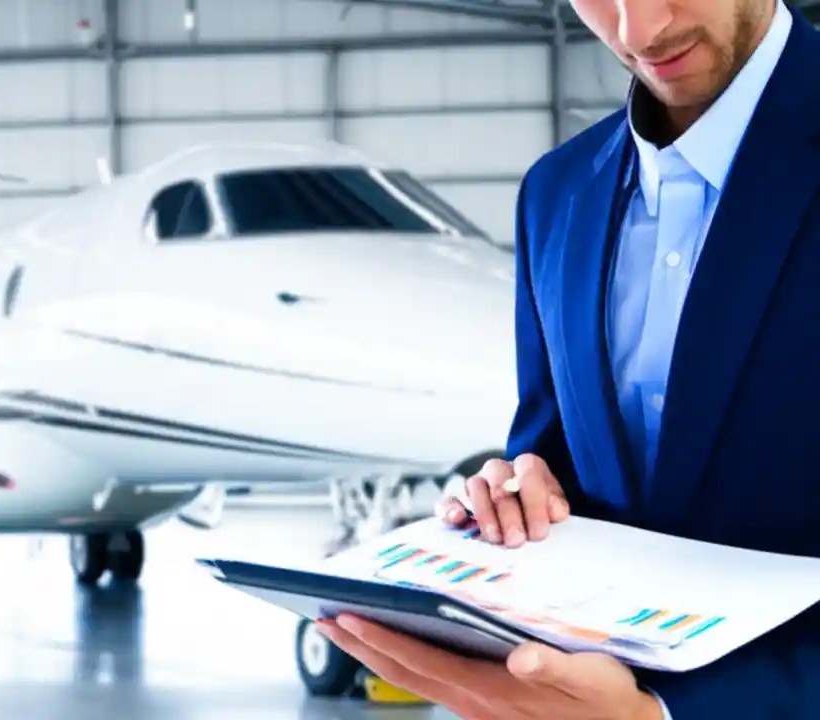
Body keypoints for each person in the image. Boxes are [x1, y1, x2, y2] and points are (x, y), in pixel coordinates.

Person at [315, 0, 820, 717]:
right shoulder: (557, 194)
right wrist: (509, 511)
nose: (637, 31)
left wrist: (672, 713)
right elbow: (552, 465)